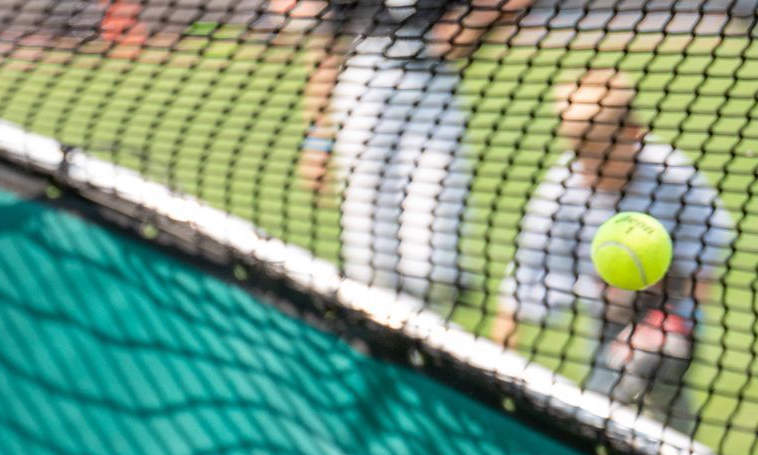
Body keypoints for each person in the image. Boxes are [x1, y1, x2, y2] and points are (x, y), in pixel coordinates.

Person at [489, 67, 734, 433]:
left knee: (642, 372)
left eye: (601, 152)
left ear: (633, 132)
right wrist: (495, 368)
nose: (589, 165)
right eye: (579, 151)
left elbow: (704, 271)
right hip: (606, 321)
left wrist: (664, 321)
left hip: (672, 320)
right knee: (602, 402)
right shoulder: (561, 191)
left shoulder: (675, 178)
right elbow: (521, 285)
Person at [285, 0, 530, 300]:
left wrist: (466, 26)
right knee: (368, 228)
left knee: (436, 230)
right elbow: (326, 45)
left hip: (433, 81)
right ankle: (372, 320)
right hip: (368, 80)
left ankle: (423, 321)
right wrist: (317, 141)